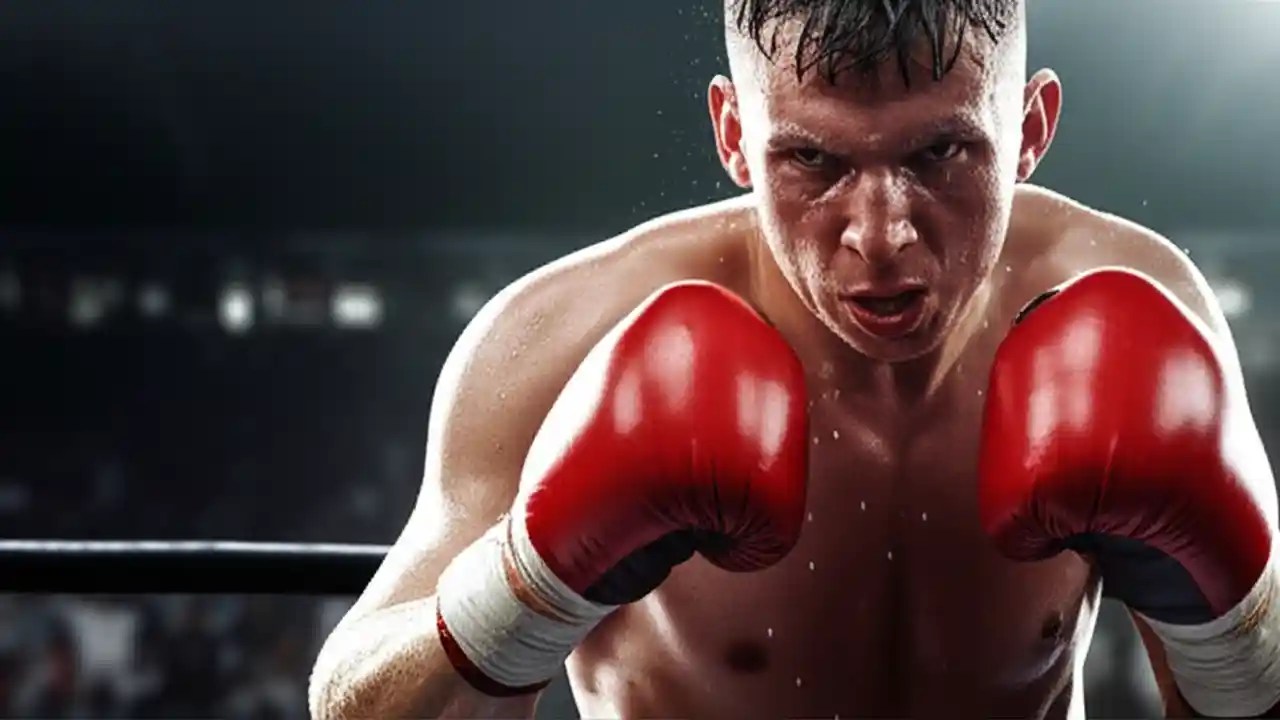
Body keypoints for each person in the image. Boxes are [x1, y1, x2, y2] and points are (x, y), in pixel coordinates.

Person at [308, 1, 1280, 717]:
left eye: (939, 155)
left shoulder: (1140, 304)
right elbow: (352, 706)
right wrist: (527, 583)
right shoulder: (565, 336)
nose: (879, 234)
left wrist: (1235, 641)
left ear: (1027, 129)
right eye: (813, 160)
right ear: (735, 135)